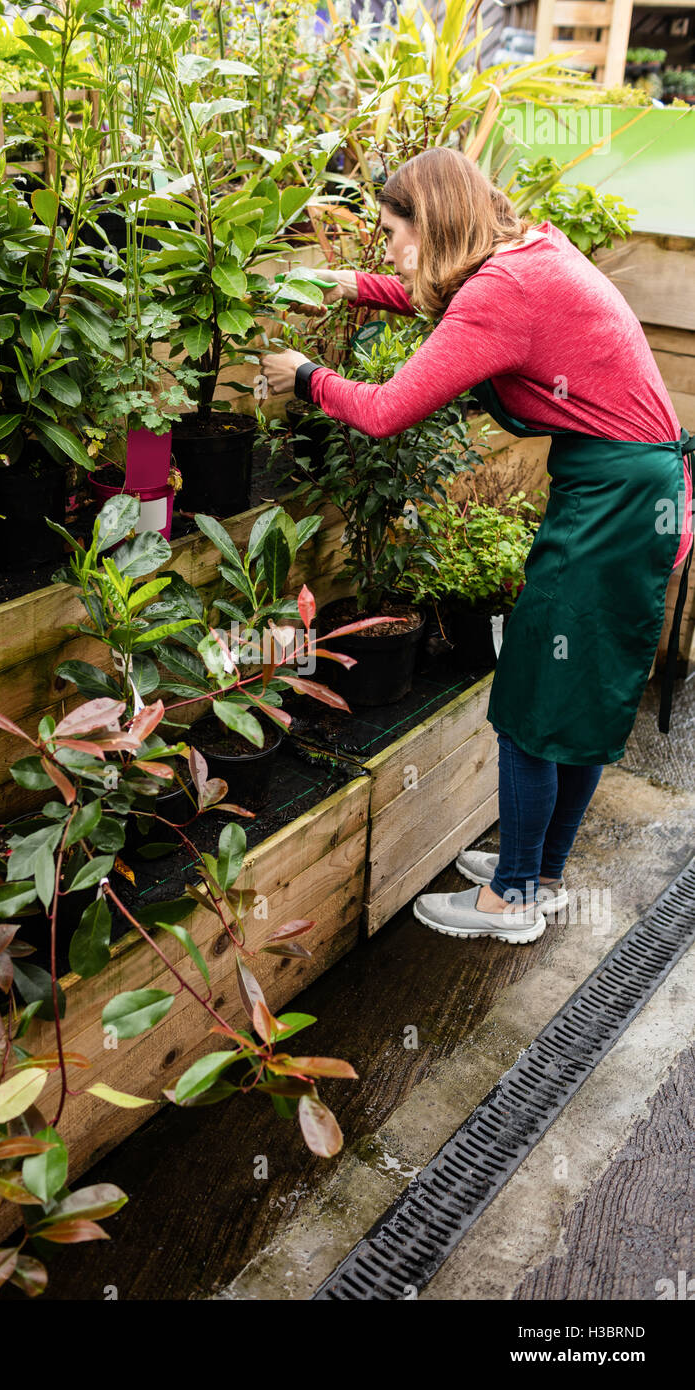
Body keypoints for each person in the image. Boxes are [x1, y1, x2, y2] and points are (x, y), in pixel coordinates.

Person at [261, 146, 694, 946]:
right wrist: (353, 286)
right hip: (635, 492)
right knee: (586, 691)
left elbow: (388, 409)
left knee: (534, 692)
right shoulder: (523, 258)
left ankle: (512, 901)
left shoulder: (502, 292)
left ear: (433, 224)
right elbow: (452, 308)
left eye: (394, 234)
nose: (390, 251)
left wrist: (306, 376)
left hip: (616, 506)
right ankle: (542, 874)